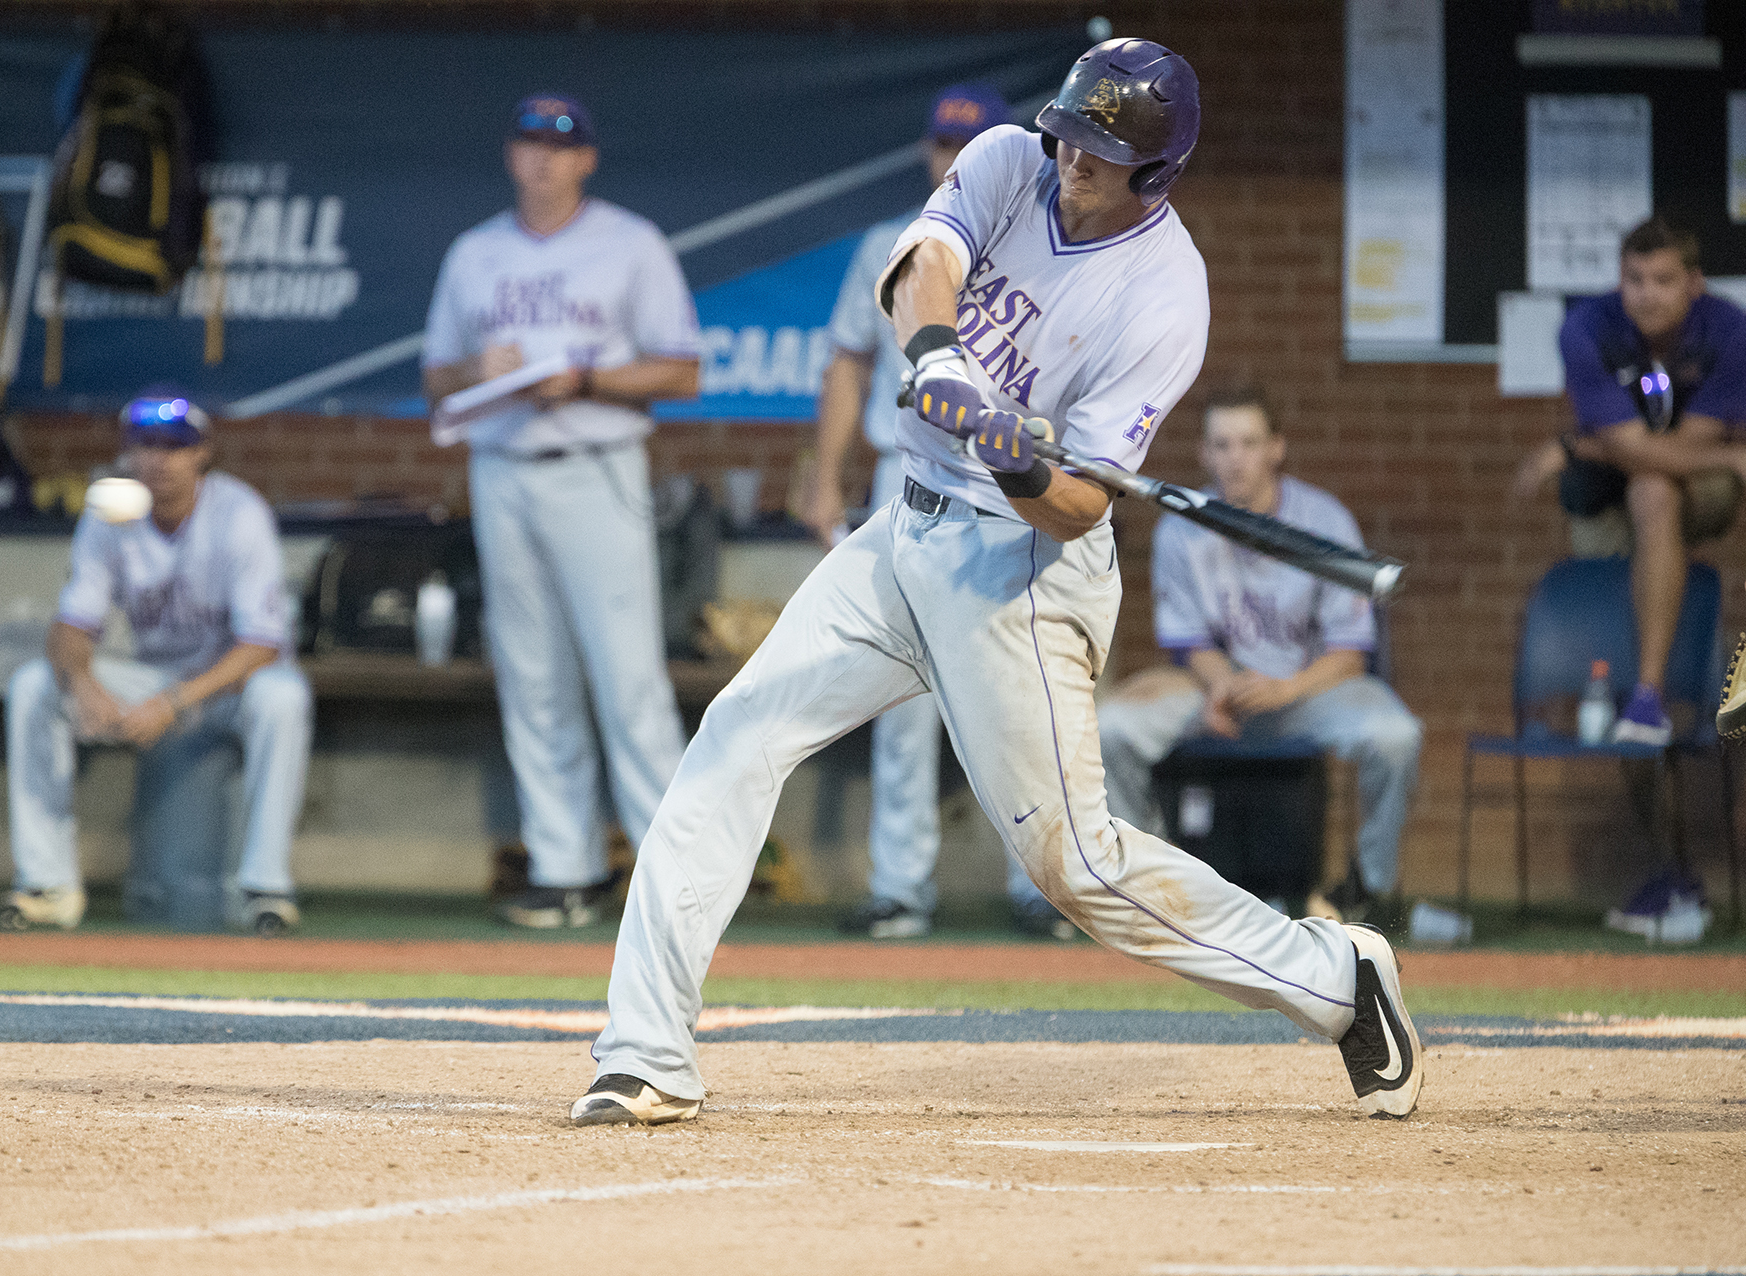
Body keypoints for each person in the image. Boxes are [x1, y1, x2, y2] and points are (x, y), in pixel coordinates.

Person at [571, 39, 1422, 1129]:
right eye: (1072, 135)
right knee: (737, 735)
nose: (1073, 161)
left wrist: (1022, 457)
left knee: (1077, 867)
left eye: (1103, 155)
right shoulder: (1010, 158)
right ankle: (646, 1053)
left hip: (1018, 573)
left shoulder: (1168, 299)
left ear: (1156, 174)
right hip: (902, 534)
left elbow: (1079, 507)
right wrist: (941, 363)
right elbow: (925, 267)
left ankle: (1338, 981)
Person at [422, 93, 700, 928]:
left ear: (586, 159)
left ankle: (672, 880)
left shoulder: (631, 243)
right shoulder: (476, 253)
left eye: (560, 146)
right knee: (532, 675)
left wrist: (581, 379)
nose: (543, 158)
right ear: (512, 156)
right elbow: (436, 377)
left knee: (627, 677)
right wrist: (482, 368)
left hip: (595, 464)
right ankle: (564, 867)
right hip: (503, 466)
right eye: (529, 144)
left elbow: (682, 370)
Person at [807, 83, 1072, 941]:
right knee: (901, 695)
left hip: (1009, 485)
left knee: (1022, 686)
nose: (952, 161)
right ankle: (901, 885)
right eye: (941, 145)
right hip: (908, 477)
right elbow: (848, 363)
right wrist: (824, 474)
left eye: (970, 144)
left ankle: (1043, 884)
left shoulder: (1041, 251)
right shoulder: (892, 244)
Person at [1096, 385, 1423, 923]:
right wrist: (1224, 684)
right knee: (1111, 727)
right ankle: (1149, 882)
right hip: (1216, 693)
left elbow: (1350, 652)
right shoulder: (1182, 526)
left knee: (1396, 736)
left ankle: (1366, 887)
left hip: (1308, 689)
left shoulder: (1324, 519)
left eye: (1249, 443)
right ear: (1204, 453)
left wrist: (1284, 689)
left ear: (1276, 448)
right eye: (1221, 444)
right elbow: (1188, 643)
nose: (1235, 457)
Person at [1, 392, 310, 932]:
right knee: (35, 685)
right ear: (126, 455)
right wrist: (82, 681)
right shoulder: (111, 513)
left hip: (223, 688)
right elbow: (72, 625)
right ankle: (47, 884)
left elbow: (262, 645)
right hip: (152, 681)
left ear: (202, 455)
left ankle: (264, 887)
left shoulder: (238, 511)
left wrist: (175, 701)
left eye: (173, 447)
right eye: (143, 446)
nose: (157, 460)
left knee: (282, 694)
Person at [1516, 217, 1746, 746]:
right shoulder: (1585, 328)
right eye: (1634, 280)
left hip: (1701, 488)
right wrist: (1732, 453)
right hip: (1612, 493)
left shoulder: (1730, 329)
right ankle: (1639, 708)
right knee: (1643, 492)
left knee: (1652, 488)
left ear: (1695, 283)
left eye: (1663, 280)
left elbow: (1684, 444)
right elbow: (1635, 448)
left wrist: (1575, 446)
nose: (1647, 295)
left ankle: (1648, 698)